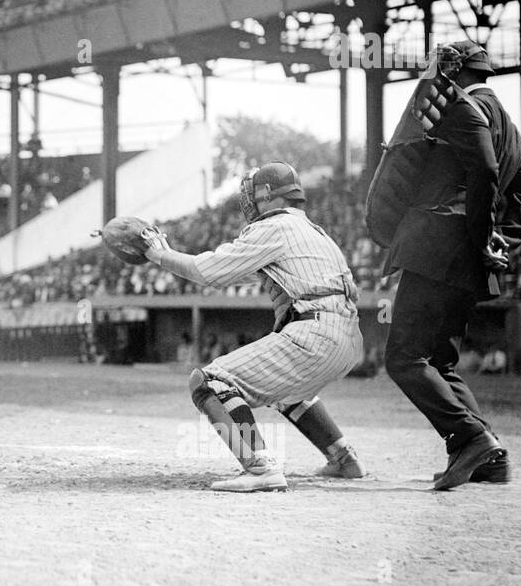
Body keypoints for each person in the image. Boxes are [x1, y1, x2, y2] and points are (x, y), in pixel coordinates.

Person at [370, 41, 521, 489]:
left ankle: (469, 437)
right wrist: (499, 240)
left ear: (458, 70)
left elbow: (483, 170)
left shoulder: (461, 107)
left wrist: (484, 236)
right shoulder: (510, 128)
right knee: (441, 362)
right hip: (467, 260)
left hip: (436, 248)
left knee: (404, 357)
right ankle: (490, 456)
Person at [142, 162, 366, 492]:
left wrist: (161, 254)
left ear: (267, 196)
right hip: (349, 340)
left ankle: (259, 467)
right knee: (288, 392)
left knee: (209, 382)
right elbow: (246, 272)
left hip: (315, 332)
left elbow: (209, 272)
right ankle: (344, 458)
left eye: (253, 195)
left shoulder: (274, 226)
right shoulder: (317, 233)